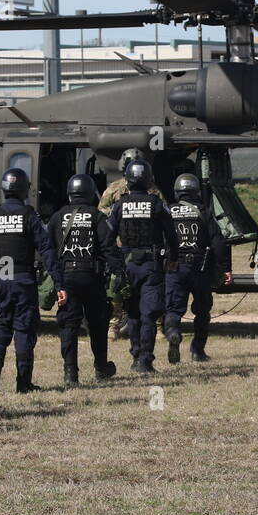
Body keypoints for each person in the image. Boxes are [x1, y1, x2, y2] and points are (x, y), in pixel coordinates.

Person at [0, 167, 66, 393]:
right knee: (24, 329)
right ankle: (23, 382)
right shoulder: (29, 215)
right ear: (24, 190)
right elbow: (47, 250)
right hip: (23, 281)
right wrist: (58, 283)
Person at [106, 158, 179, 373]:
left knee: (134, 313)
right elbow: (172, 235)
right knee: (149, 314)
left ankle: (136, 354)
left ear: (127, 180)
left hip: (128, 267)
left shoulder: (119, 205)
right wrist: (173, 259)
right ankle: (145, 361)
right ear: (149, 181)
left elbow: (107, 236)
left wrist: (115, 264)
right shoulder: (157, 204)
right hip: (151, 266)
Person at [49, 174, 120, 386]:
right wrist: (120, 272)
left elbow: (48, 248)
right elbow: (109, 247)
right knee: (98, 323)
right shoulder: (97, 217)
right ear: (90, 193)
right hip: (91, 278)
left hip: (67, 278)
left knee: (68, 326)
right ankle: (101, 367)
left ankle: (70, 374)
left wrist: (56, 280)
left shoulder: (58, 216)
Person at [164, 173, 231, 363]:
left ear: (177, 192)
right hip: (199, 268)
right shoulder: (203, 212)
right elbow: (218, 242)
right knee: (202, 311)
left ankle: (173, 332)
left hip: (174, 266)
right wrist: (224, 268)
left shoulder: (168, 211)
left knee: (173, 309)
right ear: (196, 192)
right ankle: (197, 351)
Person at [100, 149, 161, 341]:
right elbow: (101, 211)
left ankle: (157, 325)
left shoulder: (152, 190)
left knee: (152, 289)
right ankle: (114, 325)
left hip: (145, 246)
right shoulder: (114, 189)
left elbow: (161, 212)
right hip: (121, 247)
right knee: (116, 287)